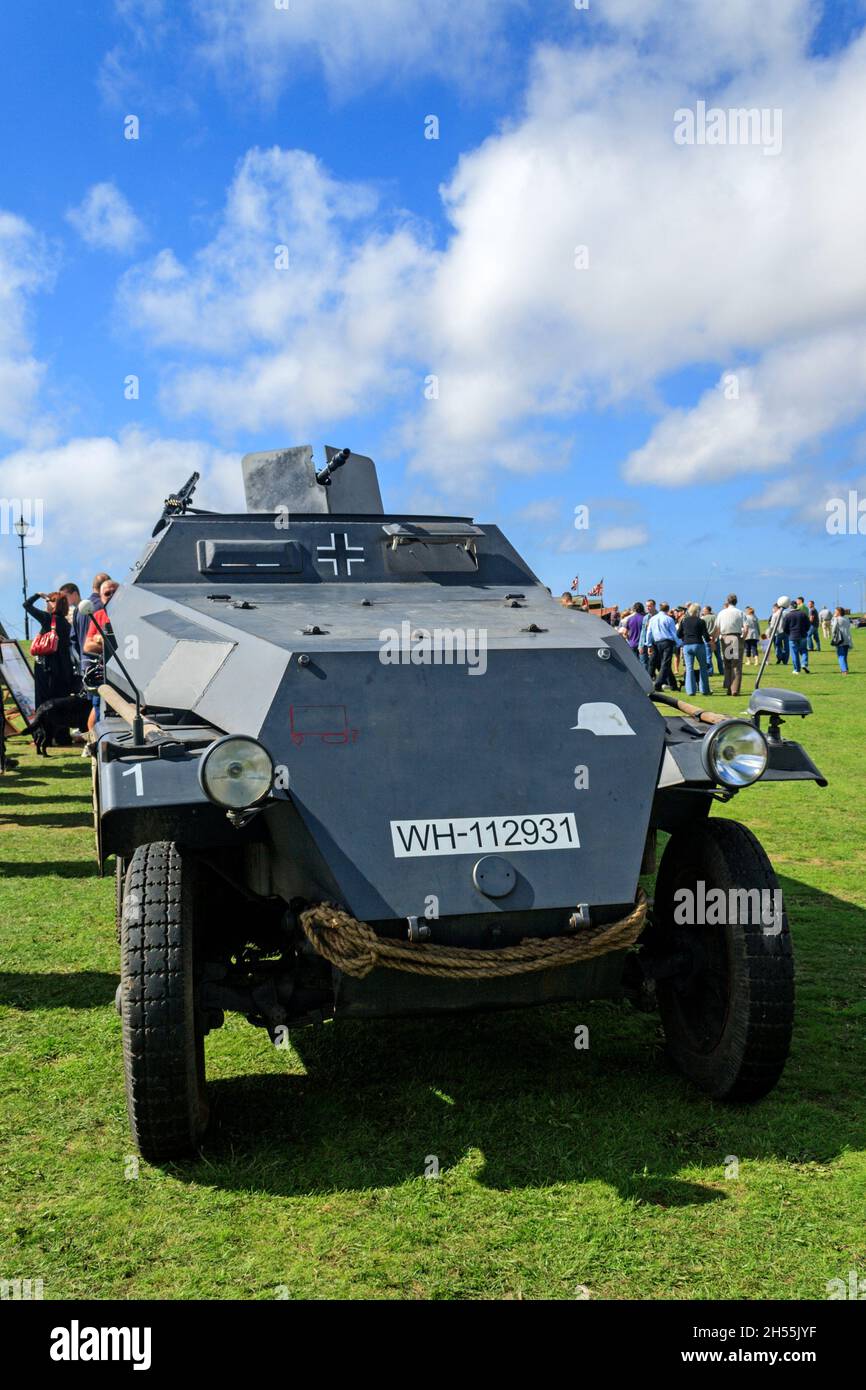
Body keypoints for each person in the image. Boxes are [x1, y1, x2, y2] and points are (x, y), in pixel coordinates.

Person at [23, 591, 77, 708]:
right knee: (59, 706)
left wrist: (38, 595)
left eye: (47, 601)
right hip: (64, 672)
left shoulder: (48, 619)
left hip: (47, 670)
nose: (45, 604)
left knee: (44, 706)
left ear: (53, 604)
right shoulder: (67, 625)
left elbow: (27, 605)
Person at [82, 579, 120, 729]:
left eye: (114, 592)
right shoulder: (97, 616)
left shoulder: (130, 613)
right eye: (107, 593)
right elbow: (87, 646)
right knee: (99, 712)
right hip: (105, 674)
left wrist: (102, 639)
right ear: (101, 597)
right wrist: (107, 641)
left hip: (130, 674)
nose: (111, 596)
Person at [712, 594, 745, 696]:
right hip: (736, 637)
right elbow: (746, 627)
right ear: (736, 601)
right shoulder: (740, 612)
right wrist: (743, 638)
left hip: (725, 639)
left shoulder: (721, 613)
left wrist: (714, 640)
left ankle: (728, 688)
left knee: (727, 665)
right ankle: (735, 690)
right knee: (736, 665)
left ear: (727, 601)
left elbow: (717, 629)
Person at [677, 602, 711, 695]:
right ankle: (704, 690)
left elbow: (678, 634)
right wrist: (709, 640)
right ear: (698, 611)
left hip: (687, 646)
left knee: (689, 668)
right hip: (698, 645)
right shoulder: (701, 621)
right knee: (703, 667)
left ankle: (690, 691)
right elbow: (706, 636)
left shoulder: (683, 621)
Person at [646, 602, 681, 691]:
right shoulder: (669, 619)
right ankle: (658, 684)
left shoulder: (652, 619)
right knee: (665, 664)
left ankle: (673, 685)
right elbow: (673, 633)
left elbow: (649, 632)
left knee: (666, 664)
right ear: (668, 609)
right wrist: (679, 643)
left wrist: (649, 644)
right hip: (667, 642)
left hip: (657, 643)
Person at [781, 599, 810, 675]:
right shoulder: (803, 614)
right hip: (803, 635)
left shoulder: (788, 616)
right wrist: (805, 631)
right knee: (804, 651)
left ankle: (797, 669)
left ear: (790, 607)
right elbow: (808, 624)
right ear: (796, 606)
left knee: (794, 653)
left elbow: (784, 628)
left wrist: (788, 633)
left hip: (792, 636)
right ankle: (804, 664)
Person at [58, 582, 83, 672]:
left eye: (65, 597)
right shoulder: (77, 611)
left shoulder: (83, 610)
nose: (62, 600)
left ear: (75, 594)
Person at [830, 606, 853, 674]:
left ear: (839, 612)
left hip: (839, 639)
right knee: (844, 655)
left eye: (835, 611)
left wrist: (834, 617)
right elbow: (849, 626)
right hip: (847, 638)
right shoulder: (846, 618)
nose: (834, 612)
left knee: (840, 655)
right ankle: (846, 668)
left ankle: (844, 670)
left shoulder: (837, 619)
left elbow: (833, 628)